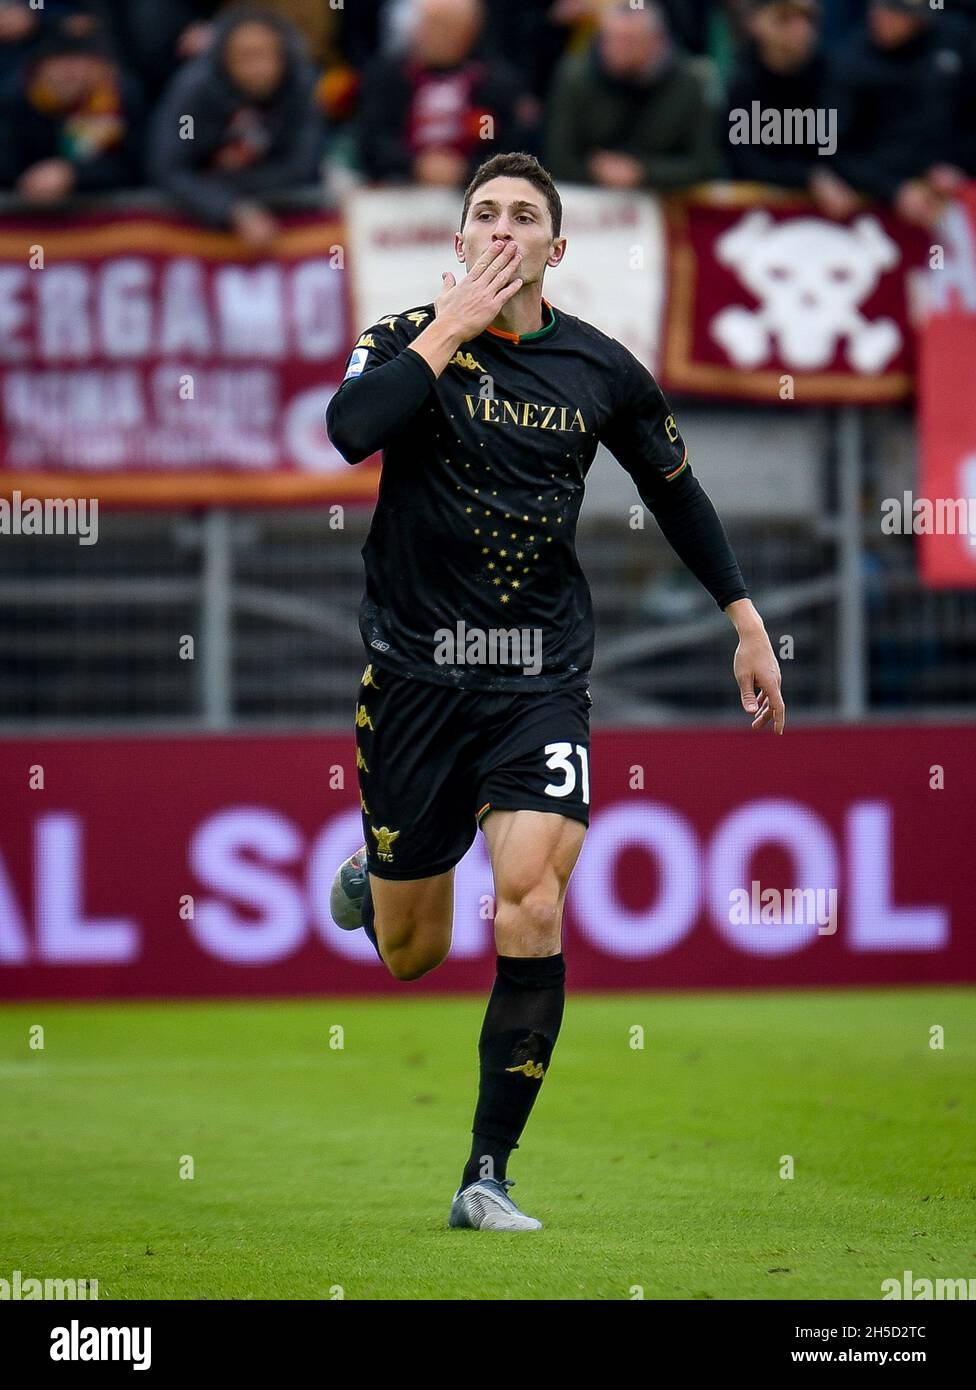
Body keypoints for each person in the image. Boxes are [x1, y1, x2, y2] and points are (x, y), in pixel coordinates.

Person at [325, 151, 785, 1233]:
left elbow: (676, 492)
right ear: (458, 240)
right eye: (481, 212)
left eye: (521, 216)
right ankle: (380, 861)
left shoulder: (601, 369)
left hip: (537, 673)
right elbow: (349, 432)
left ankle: (486, 1170)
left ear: (554, 249)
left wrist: (744, 617)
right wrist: (448, 329)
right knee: (412, 952)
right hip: (415, 675)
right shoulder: (401, 338)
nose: (498, 228)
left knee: (531, 895)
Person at [148, 7, 324, 244]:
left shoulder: (300, 87)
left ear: (282, 56)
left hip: (287, 222)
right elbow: (170, 167)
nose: (256, 68)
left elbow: (303, 164)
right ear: (224, 58)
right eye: (245, 56)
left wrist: (229, 188)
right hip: (196, 232)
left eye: (264, 54)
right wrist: (228, 208)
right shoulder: (193, 93)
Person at [545, 0, 717, 191]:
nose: (614, 50)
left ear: (657, 41)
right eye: (609, 39)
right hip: (590, 201)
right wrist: (596, 169)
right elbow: (556, 157)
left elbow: (705, 165)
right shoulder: (575, 77)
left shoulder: (690, 83)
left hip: (666, 201)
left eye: (628, 41)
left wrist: (643, 172)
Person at [356, 0, 533, 186]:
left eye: (445, 27)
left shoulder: (496, 84)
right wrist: (416, 165)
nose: (434, 35)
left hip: (472, 186)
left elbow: (508, 146)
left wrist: (467, 170)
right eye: (429, 24)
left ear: (470, 31)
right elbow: (372, 140)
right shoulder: (388, 76)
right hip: (400, 184)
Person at [0, 31, 144, 200]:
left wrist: (74, 174)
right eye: (59, 62)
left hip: (99, 213)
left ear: (101, 68)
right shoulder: (18, 100)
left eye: (79, 62)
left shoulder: (118, 101)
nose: (69, 73)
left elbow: (133, 166)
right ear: (38, 69)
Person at [723, 0, 830, 189]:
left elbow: (838, 152)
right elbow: (745, 163)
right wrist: (807, 177)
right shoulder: (743, 84)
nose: (801, 30)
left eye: (808, 19)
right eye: (785, 19)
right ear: (757, 24)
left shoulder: (828, 77)